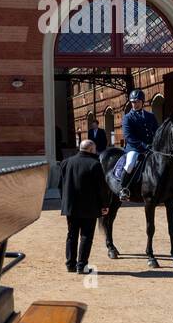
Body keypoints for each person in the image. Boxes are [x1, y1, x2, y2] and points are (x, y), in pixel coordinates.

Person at [58, 139, 111, 274]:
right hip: (89, 206)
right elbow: (101, 188)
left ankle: (70, 264)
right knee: (86, 236)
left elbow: (60, 185)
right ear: (91, 149)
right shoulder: (95, 164)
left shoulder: (66, 162)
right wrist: (105, 205)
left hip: (70, 206)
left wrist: (65, 201)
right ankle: (81, 265)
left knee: (71, 235)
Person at [115, 89, 158, 200]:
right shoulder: (127, 117)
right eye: (133, 102)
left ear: (142, 102)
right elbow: (129, 136)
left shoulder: (150, 116)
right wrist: (144, 146)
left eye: (138, 101)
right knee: (130, 164)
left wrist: (155, 144)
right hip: (134, 148)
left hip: (150, 147)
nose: (135, 104)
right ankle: (123, 189)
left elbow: (156, 131)